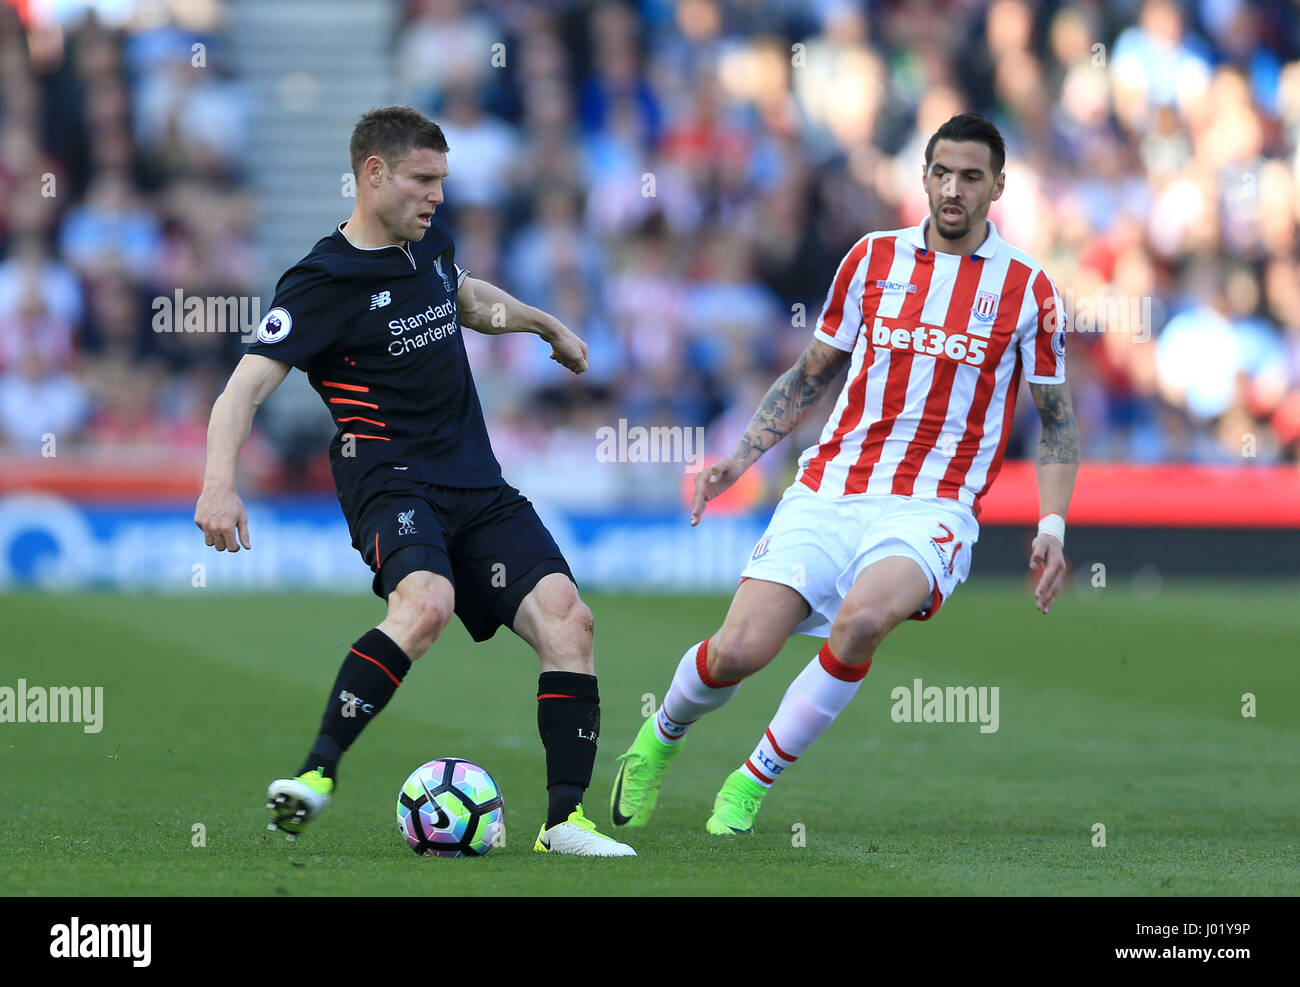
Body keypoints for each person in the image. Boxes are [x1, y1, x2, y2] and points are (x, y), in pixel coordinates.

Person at [610, 112, 1079, 836]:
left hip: (932, 505)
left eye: (971, 177)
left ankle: (751, 780)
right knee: (739, 649)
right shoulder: (870, 259)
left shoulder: (1029, 289)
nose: (953, 189)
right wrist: (739, 457)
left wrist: (1052, 524)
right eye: (942, 173)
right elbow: (811, 373)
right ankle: (657, 740)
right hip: (832, 485)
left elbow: (1054, 417)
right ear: (924, 177)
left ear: (998, 186)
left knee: (863, 620)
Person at [194, 105, 634, 856]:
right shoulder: (320, 281)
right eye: (424, 180)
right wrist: (217, 484)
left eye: (443, 180)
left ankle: (564, 822)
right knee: (426, 603)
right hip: (391, 481)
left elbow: (464, 297)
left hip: (475, 479)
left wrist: (542, 323)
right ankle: (316, 775)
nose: (438, 196)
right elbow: (242, 390)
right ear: (374, 174)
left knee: (570, 619)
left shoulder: (427, 247)